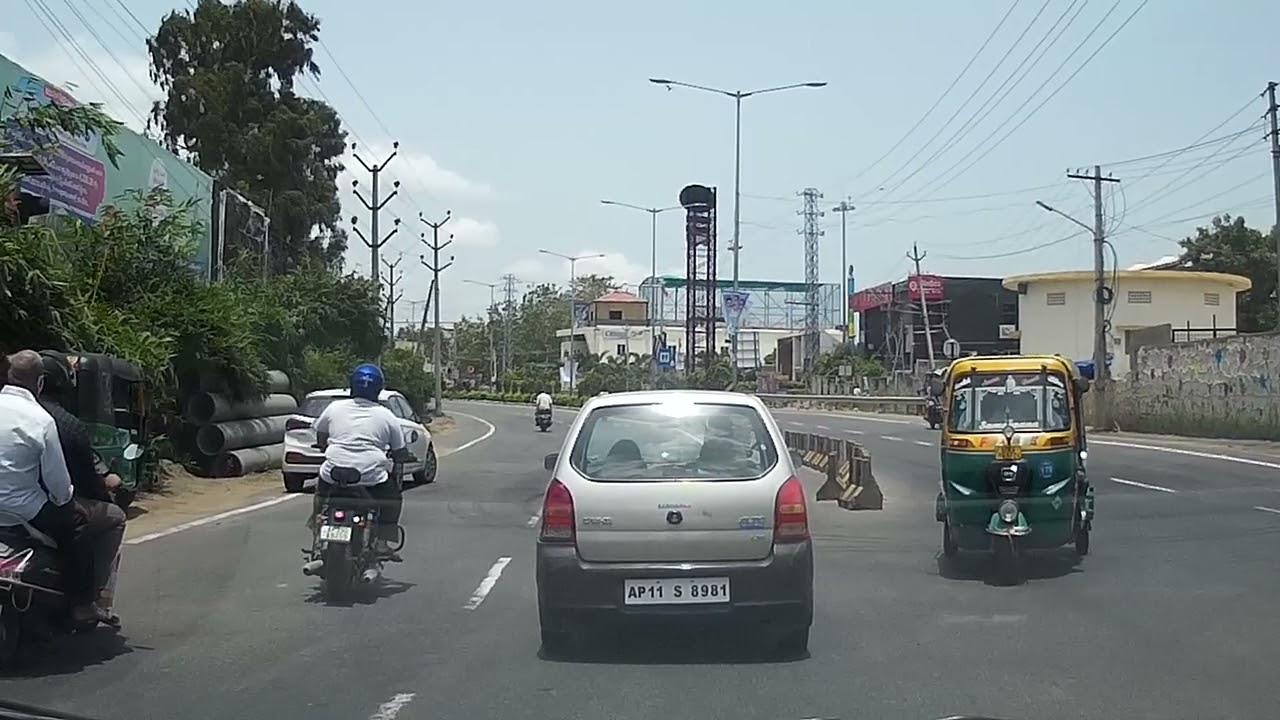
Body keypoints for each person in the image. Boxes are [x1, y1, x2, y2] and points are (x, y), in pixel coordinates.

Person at [0, 350, 108, 624]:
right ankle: (82, 604)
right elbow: (60, 488)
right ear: (38, 383)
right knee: (78, 527)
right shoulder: (41, 420)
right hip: (25, 512)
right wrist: (69, 504)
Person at [37, 351, 127, 618]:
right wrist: (103, 488)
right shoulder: (65, 424)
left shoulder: (11, 413)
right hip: (41, 505)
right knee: (113, 517)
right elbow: (86, 481)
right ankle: (88, 599)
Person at [311, 363, 412, 559]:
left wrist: (326, 446)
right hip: (370, 476)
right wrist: (401, 456)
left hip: (333, 473)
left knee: (321, 496)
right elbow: (399, 450)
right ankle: (382, 542)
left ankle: (317, 529)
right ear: (379, 389)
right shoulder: (387, 416)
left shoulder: (334, 408)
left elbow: (321, 434)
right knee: (392, 499)